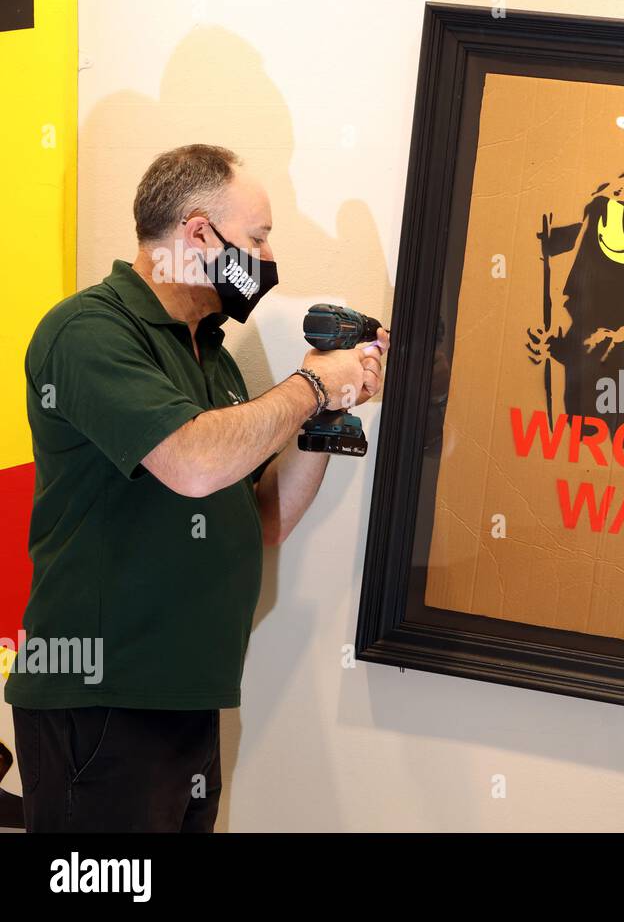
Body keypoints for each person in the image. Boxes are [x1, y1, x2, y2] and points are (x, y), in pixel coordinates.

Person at [4, 144, 388, 831]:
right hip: (100, 704)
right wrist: (308, 386)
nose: (269, 260)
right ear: (200, 234)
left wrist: (330, 406)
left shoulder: (207, 355)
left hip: (186, 699)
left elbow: (263, 517)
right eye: (260, 238)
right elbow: (194, 464)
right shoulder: (90, 331)